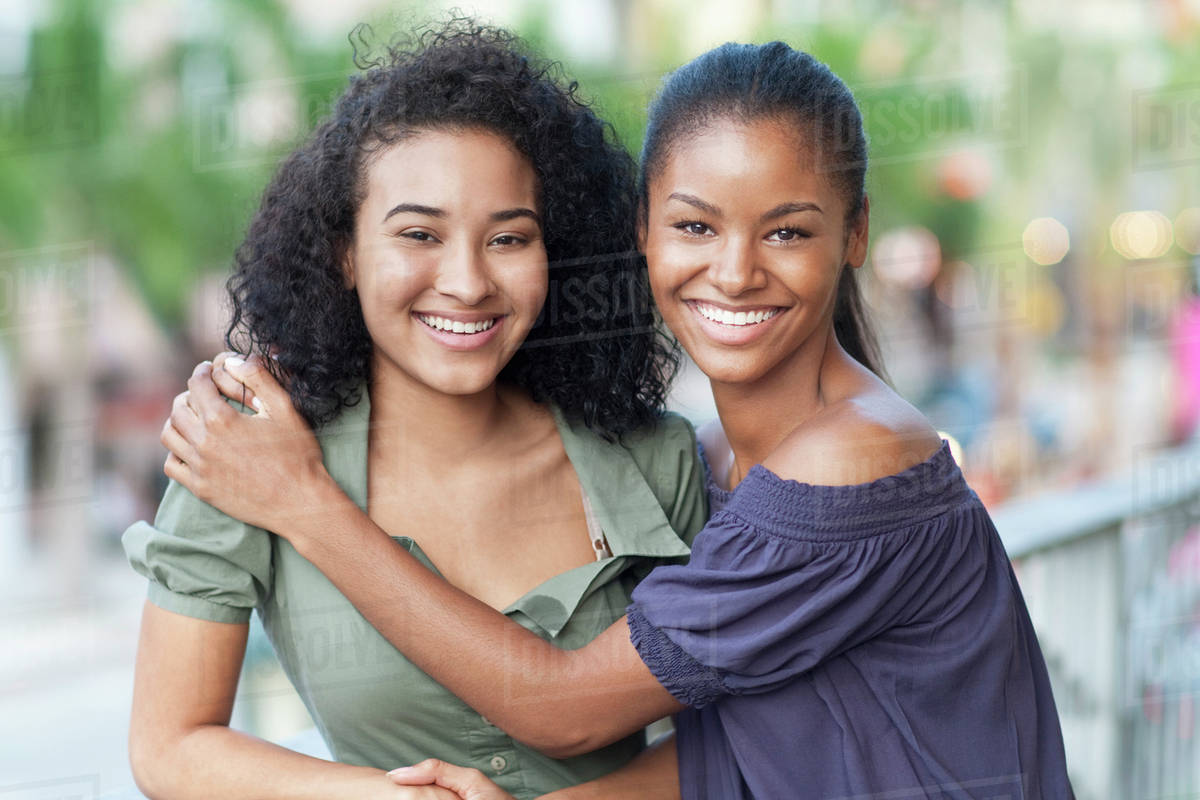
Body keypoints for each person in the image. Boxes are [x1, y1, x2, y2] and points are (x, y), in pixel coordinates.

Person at [166, 41, 1075, 799]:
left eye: (788, 232)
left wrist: (305, 505)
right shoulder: (718, 457)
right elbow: (729, 752)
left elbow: (564, 705)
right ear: (642, 231)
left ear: (857, 233)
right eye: (695, 227)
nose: (735, 271)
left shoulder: (848, 460)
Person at [123, 19, 710, 800]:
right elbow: (169, 745)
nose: (467, 282)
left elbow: (730, 745)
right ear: (345, 252)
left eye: (508, 239)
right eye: (419, 234)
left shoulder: (653, 460)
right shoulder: (246, 458)